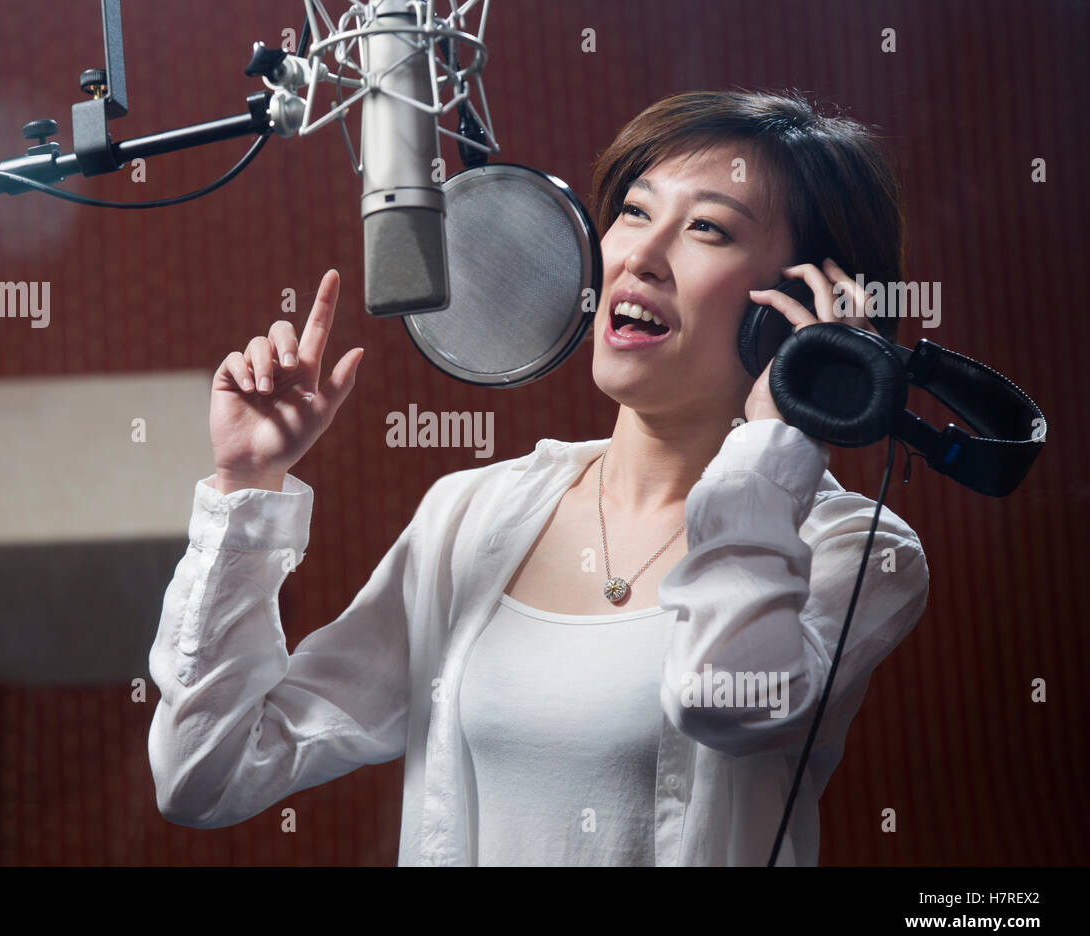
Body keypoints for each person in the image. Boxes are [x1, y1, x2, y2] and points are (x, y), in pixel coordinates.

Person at [146, 88, 930, 866]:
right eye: (632, 211)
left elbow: (721, 704)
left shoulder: (854, 550)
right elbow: (206, 777)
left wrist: (786, 430)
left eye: (707, 228)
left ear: (797, 307)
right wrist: (247, 488)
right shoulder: (472, 514)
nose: (640, 257)